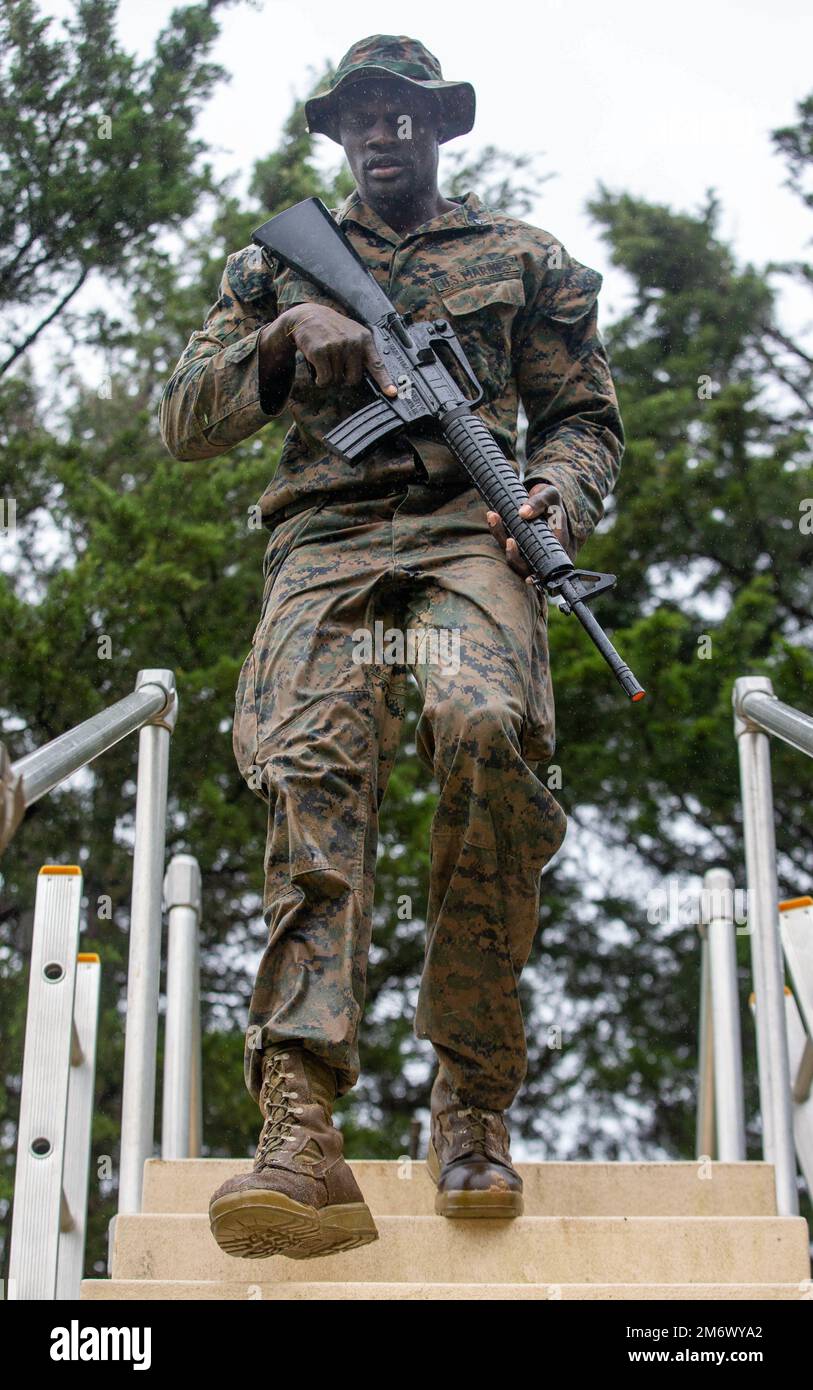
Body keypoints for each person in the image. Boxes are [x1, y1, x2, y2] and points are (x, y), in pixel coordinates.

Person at [159, 33, 625, 1262]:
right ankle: (301, 1126)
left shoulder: (525, 258)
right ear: (339, 134)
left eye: (404, 113)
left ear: (440, 127)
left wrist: (552, 506)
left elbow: (581, 418)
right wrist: (282, 338)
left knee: (485, 730)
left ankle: (471, 1095)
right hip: (322, 537)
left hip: (472, 534)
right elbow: (182, 420)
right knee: (309, 769)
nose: (382, 132)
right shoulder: (275, 259)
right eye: (361, 114)